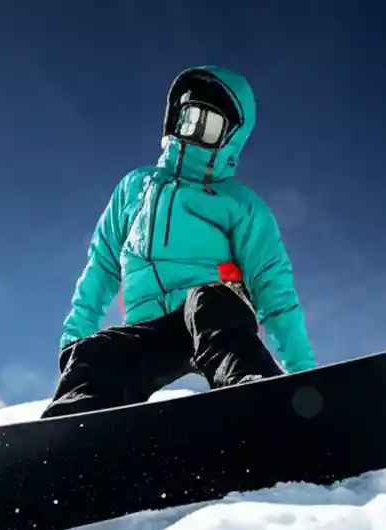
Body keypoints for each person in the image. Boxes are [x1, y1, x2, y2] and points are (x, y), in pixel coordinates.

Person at [41, 65, 315, 419]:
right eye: (189, 119)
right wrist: (76, 338)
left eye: (210, 125)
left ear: (230, 138)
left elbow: (274, 290)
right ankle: (73, 429)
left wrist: (305, 373)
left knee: (208, 300)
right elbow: (101, 265)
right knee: (98, 351)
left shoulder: (240, 205)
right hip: (150, 330)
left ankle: (254, 397)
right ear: (173, 119)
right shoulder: (135, 188)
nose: (194, 132)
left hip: (215, 322)